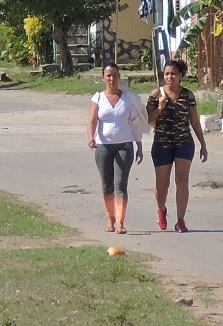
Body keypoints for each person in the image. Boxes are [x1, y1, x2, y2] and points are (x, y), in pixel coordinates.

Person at [146, 57, 209, 232]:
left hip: (184, 143)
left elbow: (195, 121)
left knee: (182, 181)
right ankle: (161, 210)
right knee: (162, 183)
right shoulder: (156, 94)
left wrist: (203, 144)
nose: (169, 77)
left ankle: (180, 220)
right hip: (162, 144)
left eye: (173, 73)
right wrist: (159, 108)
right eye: (166, 74)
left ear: (180, 75)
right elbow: (147, 119)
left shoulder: (188, 95)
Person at [87, 64, 144, 234]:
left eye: (115, 75)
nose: (112, 79)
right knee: (107, 185)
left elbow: (136, 123)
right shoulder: (98, 98)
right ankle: (110, 219)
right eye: (108, 76)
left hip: (125, 145)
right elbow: (92, 120)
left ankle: (120, 221)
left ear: (119, 77)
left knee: (120, 184)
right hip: (103, 146)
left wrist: (139, 146)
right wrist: (91, 137)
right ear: (103, 78)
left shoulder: (128, 98)